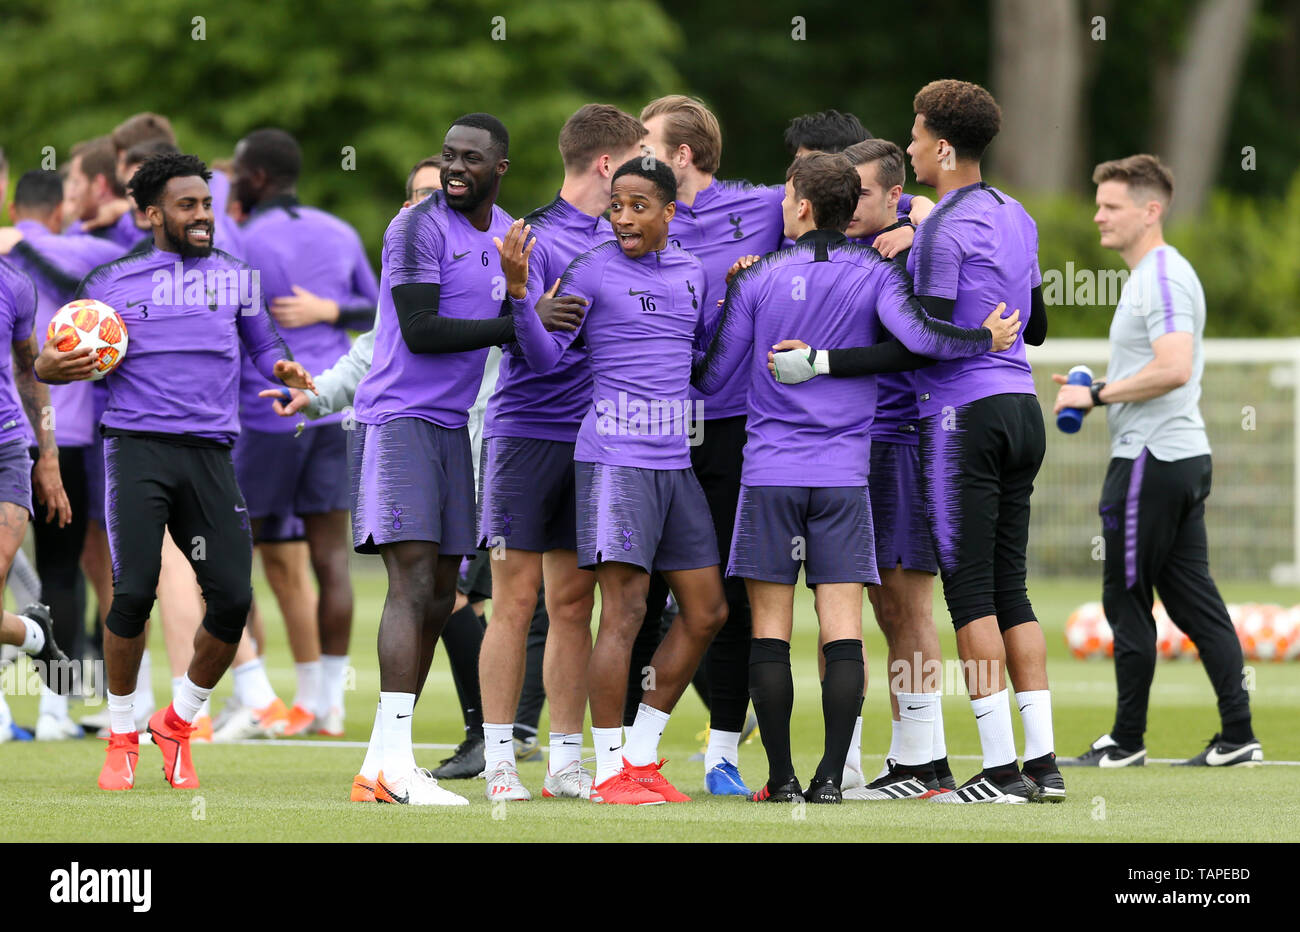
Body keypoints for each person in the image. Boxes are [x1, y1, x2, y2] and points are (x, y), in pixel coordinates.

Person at [770, 80, 1060, 804]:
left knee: (931, 605)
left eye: (865, 193)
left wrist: (822, 361)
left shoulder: (924, 237)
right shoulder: (1007, 214)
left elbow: (924, 344)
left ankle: (958, 764)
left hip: (935, 428)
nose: (853, 204)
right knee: (967, 597)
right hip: (989, 414)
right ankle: (1026, 763)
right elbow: (1037, 320)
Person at [698, 152, 1018, 803]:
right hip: (844, 477)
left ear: (807, 208)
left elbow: (710, 374)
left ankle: (782, 779)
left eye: (789, 199)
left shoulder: (760, 278)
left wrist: (723, 304)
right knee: (843, 628)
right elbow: (924, 340)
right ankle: (830, 782)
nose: (783, 208)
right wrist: (982, 339)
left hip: (768, 477)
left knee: (771, 630)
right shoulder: (874, 273)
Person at [35, 152, 314, 791]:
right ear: (151, 214)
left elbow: (268, 348)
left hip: (212, 452)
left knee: (234, 597)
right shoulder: (108, 282)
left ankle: (178, 722)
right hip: (135, 448)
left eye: (207, 205)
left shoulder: (238, 278)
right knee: (132, 594)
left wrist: (287, 372)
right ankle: (122, 733)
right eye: (187, 206)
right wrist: (51, 369)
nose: (202, 216)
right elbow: (53, 360)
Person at [508, 158, 728, 805]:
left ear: (669, 212)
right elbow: (545, 358)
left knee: (706, 610)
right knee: (626, 612)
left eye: (638, 206)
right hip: (613, 460)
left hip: (675, 463)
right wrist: (522, 296)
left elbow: (698, 366)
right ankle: (607, 775)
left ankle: (637, 755)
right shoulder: (593, 268)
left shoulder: (692, 273)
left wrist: (740, 301)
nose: (624, 218)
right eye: (616, 206)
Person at [1055, 154, 1261, 768]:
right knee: (1195, 601)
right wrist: (1105, 388)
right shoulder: (1153, 275)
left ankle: (1125, 740)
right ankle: (1238, 735)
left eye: (1111, 206)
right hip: (1177, 456)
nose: (1098, 216)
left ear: (1152, 210)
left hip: (1151, 461)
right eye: (1098, 204)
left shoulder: (1162, 277)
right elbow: (1160, 366)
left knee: (1125, 597)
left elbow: (1173, 368)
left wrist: (1096, 394)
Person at [475, 103, 647, 801]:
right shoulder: (532, 238)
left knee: (573, 605)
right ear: (607, 164)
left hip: (594, 444)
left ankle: (566, 762)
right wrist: (521, 300)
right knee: (514, 602)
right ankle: (496, 763)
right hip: (525, 438)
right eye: (636, 158)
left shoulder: (628, 234)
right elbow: (532, 353)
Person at [349, 114, 516, 807]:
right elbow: (419, 331)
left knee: (442, 595)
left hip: (452, 428)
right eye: (449, 154)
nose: (455, 167)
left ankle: (382, 765)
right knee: (413, 585)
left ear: (497, 168)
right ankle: (392, 765)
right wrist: (515, 324)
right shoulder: (415, 226)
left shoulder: (508, 232)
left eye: (470, 158)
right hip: (398, 420)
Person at [230, 127, 378, 737]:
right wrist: (330, 312)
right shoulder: (340, 230)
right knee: (329, 558)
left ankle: (252, 697)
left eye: (237, 170)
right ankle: (326, 707)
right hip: (334, 405)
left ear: (257, 177)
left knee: (229, 556)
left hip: (268, 410)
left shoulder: (241, 237)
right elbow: (376, 309)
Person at [3, 170, 122, 738]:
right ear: (58, 210)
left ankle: (7, 712)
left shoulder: (13, 256)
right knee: (62, 571)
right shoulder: (97, 249)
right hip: (67, 439)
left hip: (19, 436)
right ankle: (55, 712)